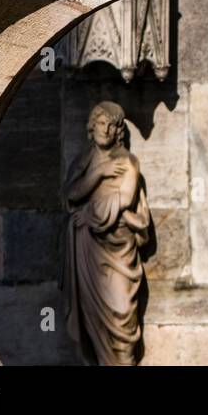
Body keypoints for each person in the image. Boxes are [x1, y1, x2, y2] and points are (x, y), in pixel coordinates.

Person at [62, 101, 151, 365]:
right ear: (92, 126)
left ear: (118, 130)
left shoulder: (127, 161)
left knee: (123, 312)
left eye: (112, 125)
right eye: (101, 123)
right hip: (87, 246)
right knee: (94, 324)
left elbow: (125, 198)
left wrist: (90, 213)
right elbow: (71, 193)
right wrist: (99, 173)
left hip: (118, 247)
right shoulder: (84, 161)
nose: (106, 129)